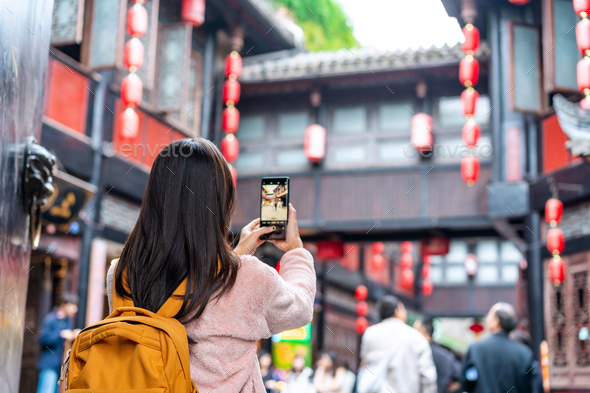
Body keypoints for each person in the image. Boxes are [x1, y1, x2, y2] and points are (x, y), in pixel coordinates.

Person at [106, 138, 316, 393]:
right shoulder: (249, 277)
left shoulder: (121, 273)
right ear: (220, 201)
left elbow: (192, 282)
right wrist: (295, 252)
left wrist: (238, 255)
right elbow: (301, 308)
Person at [359, 295, 437, 393]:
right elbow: (427, 376)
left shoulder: (370, 334)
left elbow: (365, 363)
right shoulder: (416, 338)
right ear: (397, 311)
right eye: (403, 308)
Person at [460, 302, 534, 393]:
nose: (486, 317)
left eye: (489, 315)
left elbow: (465, 383)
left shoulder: (475, 349)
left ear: (496, 322)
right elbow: (530, 385)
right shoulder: (524, 352)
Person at [36, 293, 80, 393]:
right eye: (73, 306)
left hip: (61, 367)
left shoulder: (68, 321)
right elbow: (41, 338)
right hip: (49, 365)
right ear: (64, 305)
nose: (75, 309)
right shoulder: (51, 319)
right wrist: (60, 334)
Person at [414, 318, 461, 393]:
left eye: (414, 331)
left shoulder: (416, 353)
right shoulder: (445, 355)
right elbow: (461, 379)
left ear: (422, 331)